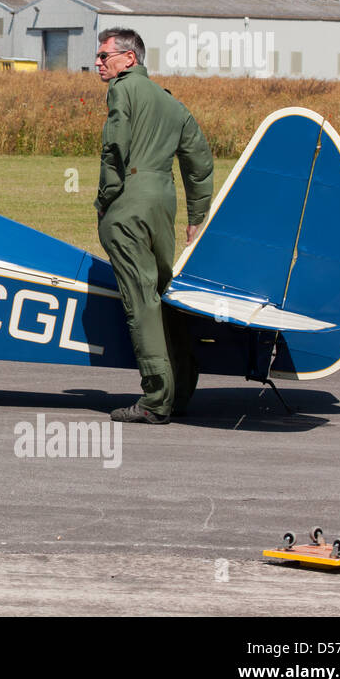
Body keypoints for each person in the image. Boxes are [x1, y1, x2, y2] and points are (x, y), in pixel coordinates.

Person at [95, 28, 213, 424]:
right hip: (164, 203)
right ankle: (180, 391)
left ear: (129, 59)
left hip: (129, 203)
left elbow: (114, 145)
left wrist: (106, 199)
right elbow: (199, 160)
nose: (98, 63)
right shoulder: (172, 104)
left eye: (104, 56)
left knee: (139, 302)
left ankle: (154, 400)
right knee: (163, 295)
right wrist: (198, 217)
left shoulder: (121, 91)